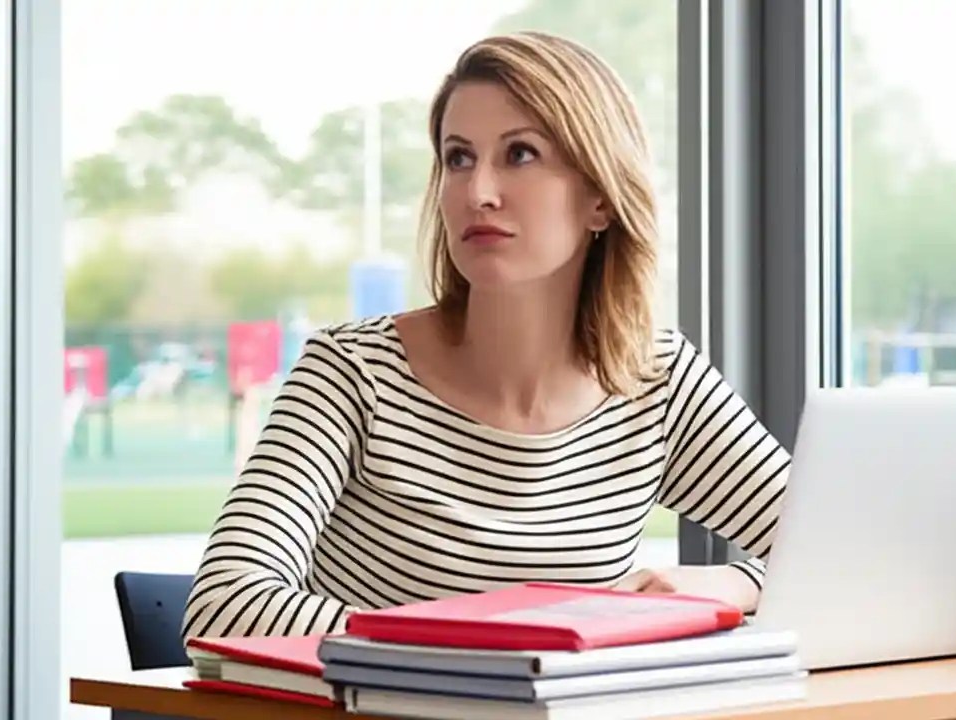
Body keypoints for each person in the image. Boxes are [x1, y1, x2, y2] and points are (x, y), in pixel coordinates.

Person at [181, 31, 790, 641]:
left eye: (520, 154)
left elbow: (850, 554)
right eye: (459, 158)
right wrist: (497, 642)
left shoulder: (659, 381)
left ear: (600, 200)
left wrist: (736, 584)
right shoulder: (351, 373)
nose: (479, 192)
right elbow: (224, 604)